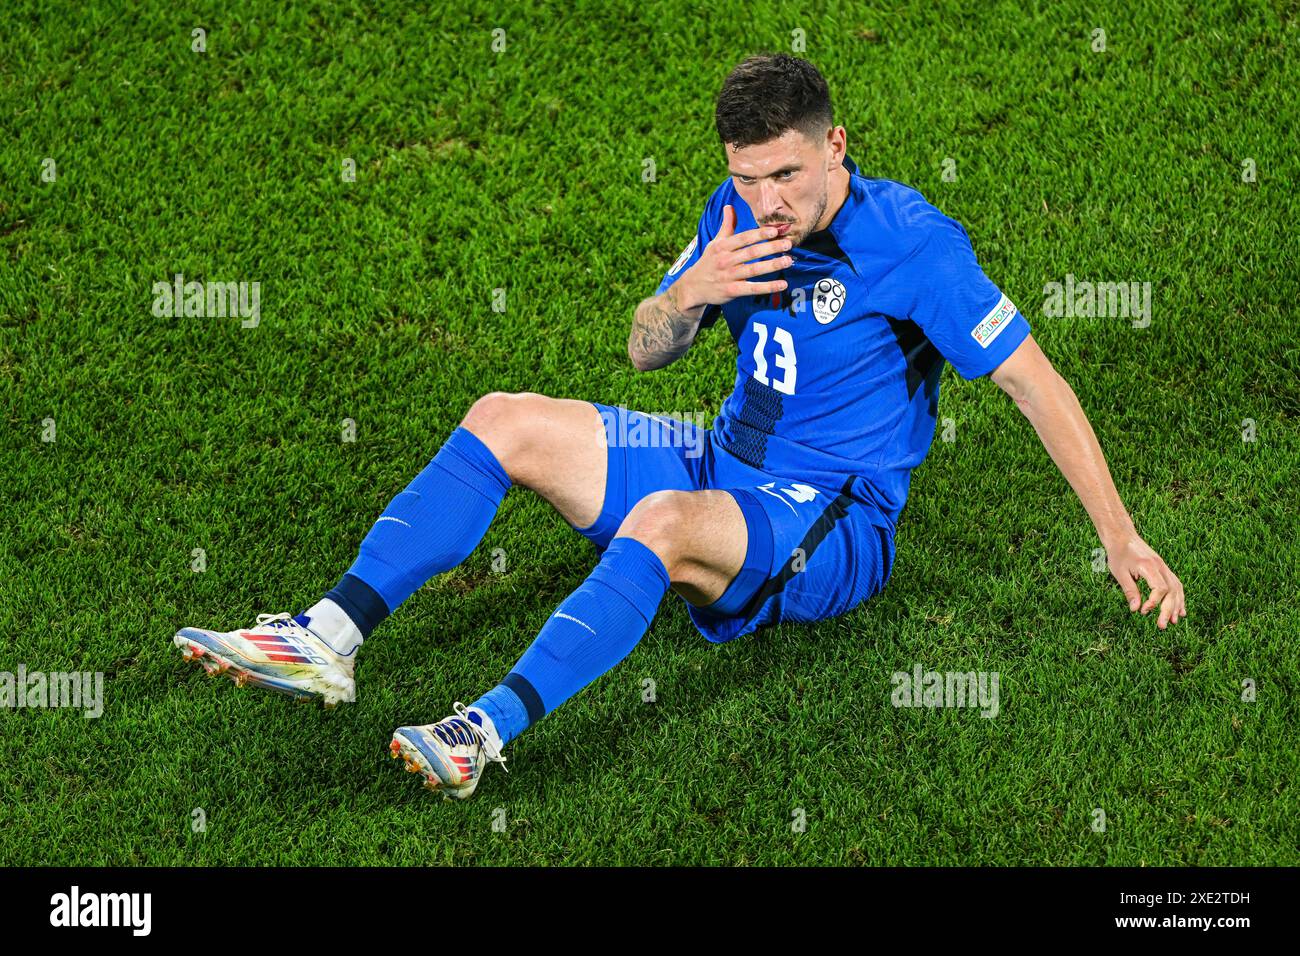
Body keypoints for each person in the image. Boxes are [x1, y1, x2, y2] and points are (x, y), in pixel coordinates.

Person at [174, 53, 1186, 800]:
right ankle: (326, 637)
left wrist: (1117, 532)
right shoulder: (733, 214)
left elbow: (1031, 382)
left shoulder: (912, 245)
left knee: (660, 518)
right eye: (746, 178)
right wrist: (694, 289)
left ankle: (479, 731)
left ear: (836, 146)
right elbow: (643, 347)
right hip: (722, 453)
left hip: (831, 518)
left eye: (785, 176)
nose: (766, 201)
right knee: (503, 419)